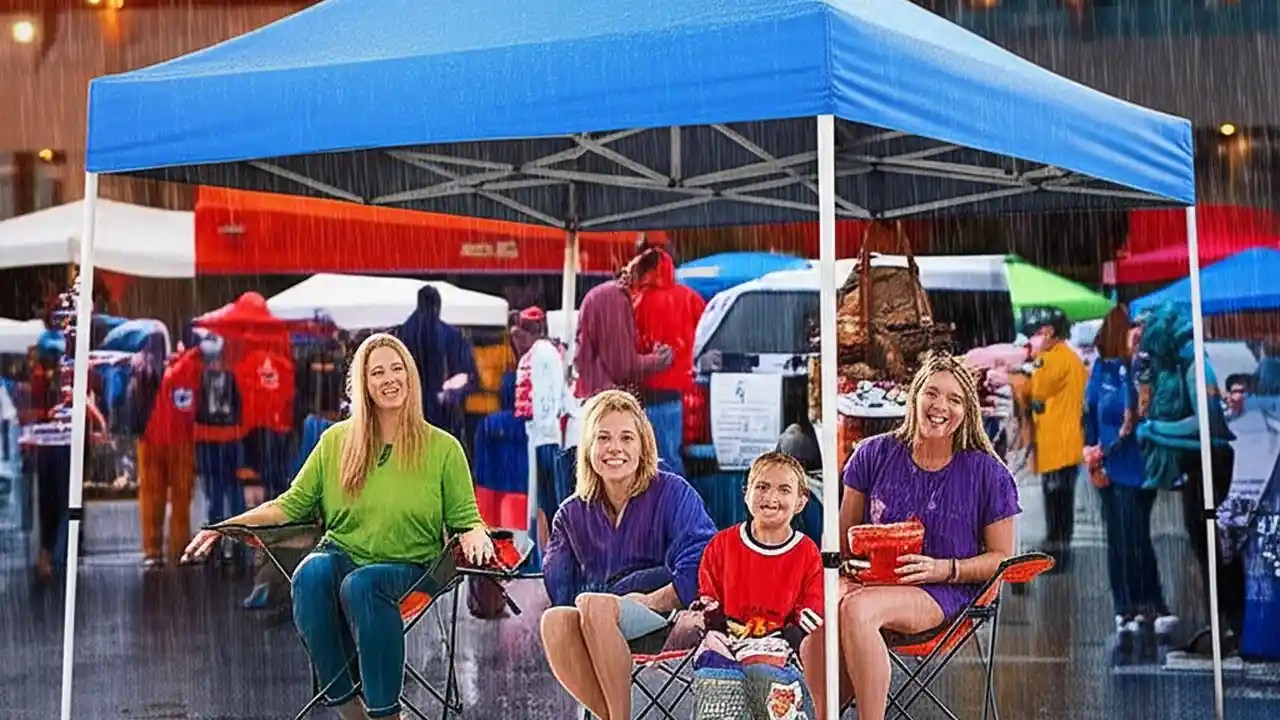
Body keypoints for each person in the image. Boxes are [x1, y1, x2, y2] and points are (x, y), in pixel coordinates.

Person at [182, 333, 493, 720]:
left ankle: (386, 714)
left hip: (413, 566)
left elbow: (466, 518)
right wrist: (224, 526)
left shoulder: (443, 447)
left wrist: (475, 532)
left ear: (411, 377)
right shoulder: (335, 442)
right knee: (311, 574)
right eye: (376, 372)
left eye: (397, 369)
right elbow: (289, 505)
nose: (389, 379)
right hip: (345, 553)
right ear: (363, 384)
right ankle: (350, 708)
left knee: (364, 584)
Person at [799, 352, 1021, 720]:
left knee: (856, 609)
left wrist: (942, 569)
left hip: (942, 589)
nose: (940, 406)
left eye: (954, 400)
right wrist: (845, 574)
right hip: (869, 583)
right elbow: (841, 543)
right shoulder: (873, 454)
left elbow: (1001, 559)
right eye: (932, 393)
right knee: (822, 621)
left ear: (967, 411)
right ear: (914, 395)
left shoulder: (987, 474)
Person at [540, 389, 716, 720]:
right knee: (555, 621)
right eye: (603, 437)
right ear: (589, 448)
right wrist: (605, 606)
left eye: (626, 438)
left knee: (594, 604)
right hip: (596, 623)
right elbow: (561, 593)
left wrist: (646, 601)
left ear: (643, 446)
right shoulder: (570, 514)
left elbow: (702, 564)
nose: (615, 448)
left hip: (663, 617)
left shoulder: (673, 491)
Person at [1134, 302, 1242, 653]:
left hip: (1213, 465)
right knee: (1204, 548)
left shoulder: (1199, 368)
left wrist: (1157, 430)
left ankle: (1230, 624)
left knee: (1213, 548)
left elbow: (1205, 426)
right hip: (1199, 466)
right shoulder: (1185, 365)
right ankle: (1219, 621)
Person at [690, 451, 823, 720]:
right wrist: (719, 632)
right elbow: (709, 597)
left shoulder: (807, 552)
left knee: (764, 672)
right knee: (714, 671)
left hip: (781, 641)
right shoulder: (722, 545)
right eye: (761, 487)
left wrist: (785, 639)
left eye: (784, 489)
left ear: (800, 502)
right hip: (727, 635)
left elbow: (813, 607)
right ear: (746, 493)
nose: (771, 497)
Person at [1083, 306, 1176, 659]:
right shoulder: (1103, 369)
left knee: (1135, 536)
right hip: (1106, 466)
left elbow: (1134, 416)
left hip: (1135, 467)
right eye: (1132, 329)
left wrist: (1102, 452)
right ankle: (1127, 605)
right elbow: (1090, 413)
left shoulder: (1138, 369)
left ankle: (1148, 602)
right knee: (1118, 539)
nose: (1137, 334)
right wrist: (1090, 450)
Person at [631, 247, 706, 477]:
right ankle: (679, 505)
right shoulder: (690, 297)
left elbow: (632, 347)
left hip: (650, 392)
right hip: (687, 393)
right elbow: (707, 336)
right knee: (673, 456)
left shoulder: (639, 302)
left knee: (650, 458)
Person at [1027, 308, 1088, 570]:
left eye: (1039, 332)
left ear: (1050, 331)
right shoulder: (1071, 357)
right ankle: (1060, 553)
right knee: (1063, 503)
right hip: (1067, 439)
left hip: (1057, 442)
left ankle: (1057, 557)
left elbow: (1038, 390)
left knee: (1056, 504)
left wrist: (1037, 361)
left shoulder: (1053, 358)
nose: (1036, 338)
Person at [511, 307, 574, 547]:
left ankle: (552, 549)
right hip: (537, 436)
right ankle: (541, 549)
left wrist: (548, 427)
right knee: (542, 499)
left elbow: (551, 393)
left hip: (546, 437)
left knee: (549, 500)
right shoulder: (536, 353)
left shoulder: (544, 353)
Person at [134, 343, 200, 568]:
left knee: (152, 497)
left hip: (148, 438)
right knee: (181, 498)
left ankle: (152, 550)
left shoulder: (146, 362)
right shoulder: (192, 366)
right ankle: (179, 547)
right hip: (180, 441)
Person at [574, 260, 673, 400]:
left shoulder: (611, 296)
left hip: (599, 397)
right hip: (606, 401)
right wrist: (659, 360)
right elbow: (623, 367)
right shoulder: (614, 299)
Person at [397, 285, 477, 441]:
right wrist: (450, 395)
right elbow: (467, 374)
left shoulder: (403, 334)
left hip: (408, 408)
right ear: (437, 306)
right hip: (441, 412)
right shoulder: (450, 335)